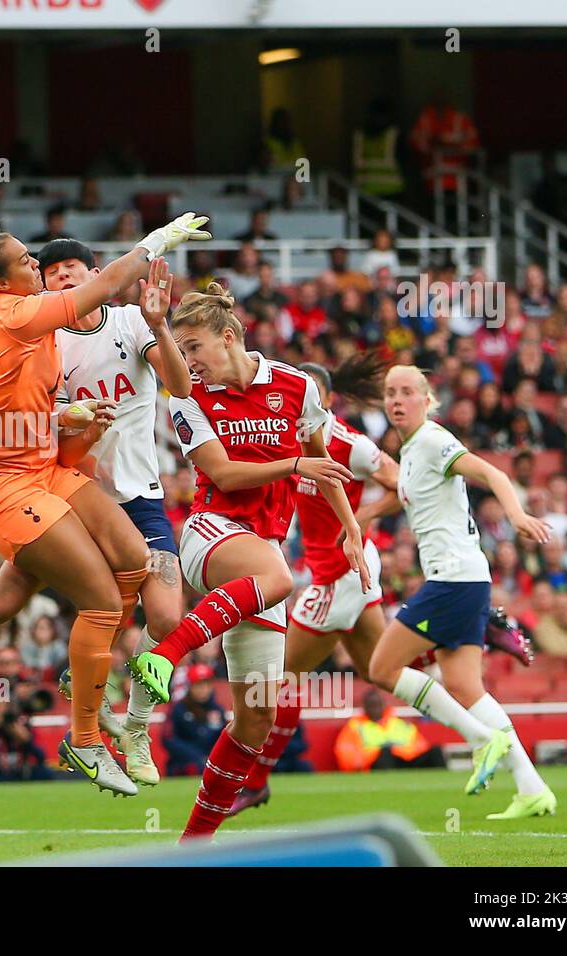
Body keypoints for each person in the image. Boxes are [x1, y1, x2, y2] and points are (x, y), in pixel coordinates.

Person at [0, 214, 212, 796]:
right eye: (29, 262)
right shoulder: (22, 315)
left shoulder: (66, 326)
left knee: (131, 560)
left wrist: (62, 424)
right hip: (6, 486)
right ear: (4, 286)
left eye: (53, 265)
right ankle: (84, 739)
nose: (39, 269)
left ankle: (94, 682)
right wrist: (154, 243)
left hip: (51, 471)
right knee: (97, 600)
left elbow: (16, 408)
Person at [126, 283, 368, 842]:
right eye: (178, 351)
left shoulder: (296, 385)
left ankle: (192, 847)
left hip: (263, 552)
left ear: (228, 336)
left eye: (193, 348)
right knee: (280, 576)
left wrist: (352, 529)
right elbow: (227, 474)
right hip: (211, 534)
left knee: (257, 715)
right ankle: (165, 655)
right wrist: (292, 468)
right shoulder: (186, 397)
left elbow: (321, 461)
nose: (185, 362)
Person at [367, 365, 557, 820]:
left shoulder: (432, 439)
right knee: (464, 686)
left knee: (381, 666)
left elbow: (492, 473)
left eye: (407, 392)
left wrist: (514, 516)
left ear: (426, 398)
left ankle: (479, 739)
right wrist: (367, 514)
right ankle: (532, 788)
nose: (397, 399)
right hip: (464, 579)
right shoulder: (411, 450)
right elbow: (406, 493)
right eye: (390, 392)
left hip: (453, 579)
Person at [227, 354, 398, 814]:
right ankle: (476, 700)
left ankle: (257, 780)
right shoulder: (285, 442)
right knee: (382, 672)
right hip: (331, 574)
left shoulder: (349, 443)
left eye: (310, 395)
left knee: (280, 680)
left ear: (325, 399)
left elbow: (401, 485)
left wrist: (358, 521)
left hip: (342, 575)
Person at [334, 688, 446, 772]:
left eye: (378, 705)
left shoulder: (400, 723)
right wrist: (376, 753)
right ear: (365, 707)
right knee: (385, 753)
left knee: (436, 751)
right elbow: (347, 756)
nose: (376, 709)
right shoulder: (355, 727)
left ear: (384, 705)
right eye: (372, 705)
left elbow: (420, 746)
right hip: (376, 764)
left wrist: (401, 751)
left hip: (405, 760)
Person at [163, 665, 226, 777]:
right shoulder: (179, 709)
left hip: (211, 764)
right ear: (190, 687)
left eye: (207, 685)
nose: (203, 690)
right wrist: (197, 756)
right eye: (199, 685)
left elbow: (222, 739)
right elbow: (169, 739)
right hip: (183, 764)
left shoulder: (217, 710)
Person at [0, 703, 52, 783]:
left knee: (45, 771)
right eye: (0, 715)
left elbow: (41, 757)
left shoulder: (24, 726)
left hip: (22, 772)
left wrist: (27, 740)